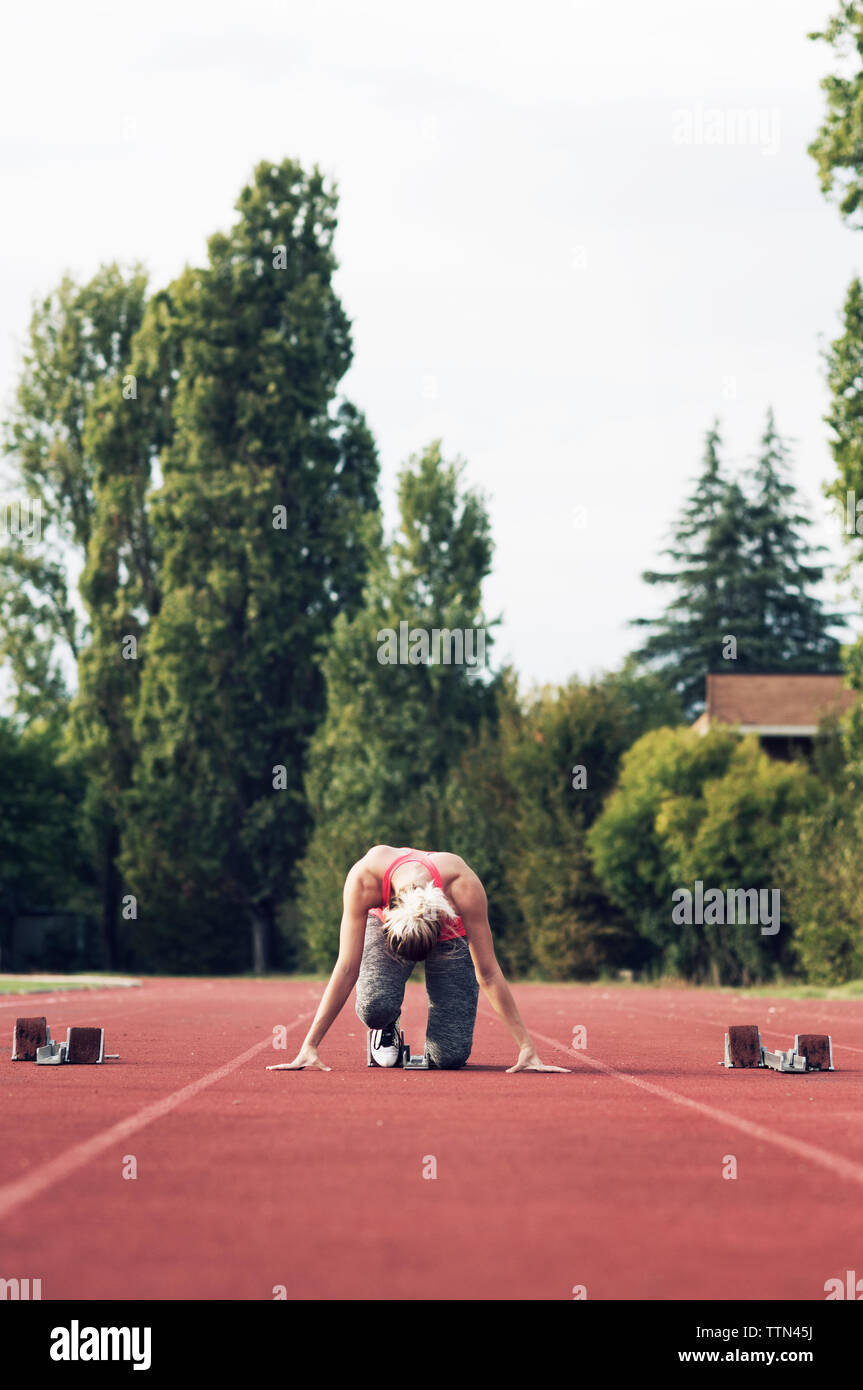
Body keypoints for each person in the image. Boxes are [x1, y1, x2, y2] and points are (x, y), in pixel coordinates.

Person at [268, 844, 570, 1073]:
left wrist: (527, 1048)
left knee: (449, 1057)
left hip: (450, 932)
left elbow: (488, 972)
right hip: (394, 925)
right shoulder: (365, 879)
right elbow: (347, 967)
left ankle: (442, 1042)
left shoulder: (462, 885)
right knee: (374, 1005)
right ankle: (386, 1027)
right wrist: (310, 1044)